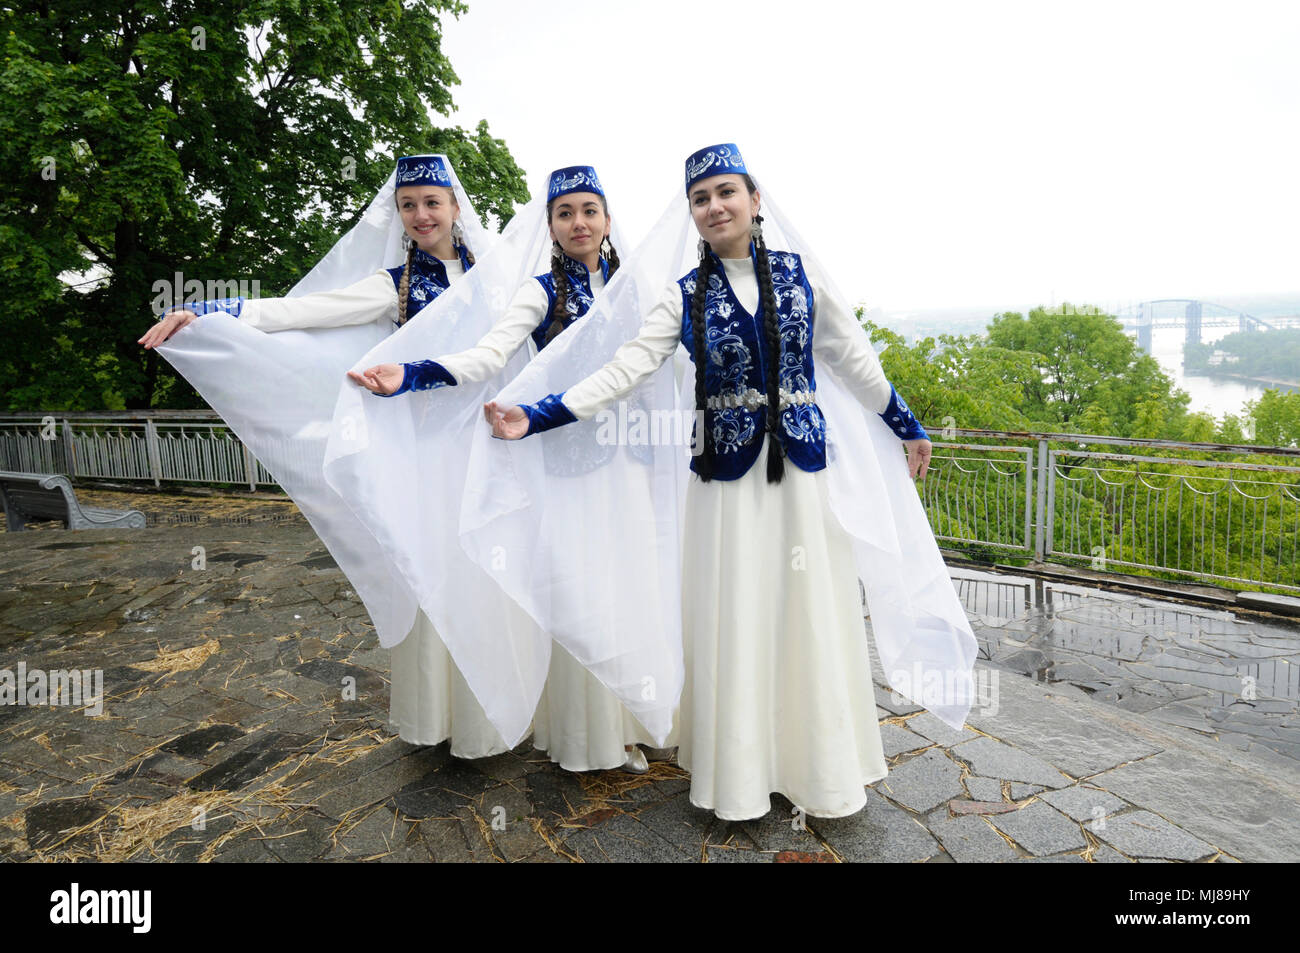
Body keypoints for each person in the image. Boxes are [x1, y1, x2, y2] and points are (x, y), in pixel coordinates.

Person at [482, 143, 977, 821]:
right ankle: (741, 773)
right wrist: (535, 414)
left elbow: (855, 360)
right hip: (723, 486)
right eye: (700, 198)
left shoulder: (803, 280)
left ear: (754, 199)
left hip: (802, 480)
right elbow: (623, 371)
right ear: (692, 212)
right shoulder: (682, 296)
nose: (713, 206)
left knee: (808, 614)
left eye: (724, 193)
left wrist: (907, 423)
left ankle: (819, 767)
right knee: (737, 615)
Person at [142, 154, 523, 759]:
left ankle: (500, 709)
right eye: (408, 205)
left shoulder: (501, 280)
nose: (421, 214)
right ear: (397, 215)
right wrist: (214, 313)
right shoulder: (393, 284)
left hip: (488, 448)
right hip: (424, 455)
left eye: (432, 201)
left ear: (455, 205)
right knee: (428, 571)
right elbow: (302, 311)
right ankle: (439, 716)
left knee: (489, 569)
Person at [349, 166, 662, 774]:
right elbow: (490, 353)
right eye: (564, 212)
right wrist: (412, 373)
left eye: (588, 210)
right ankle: (583, 735)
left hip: (629, 458)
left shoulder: (635, 290)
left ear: (606, 218)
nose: (578, 223)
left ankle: (630, 723)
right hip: (563, 460)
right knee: (575, 589)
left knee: (627, 584)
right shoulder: (539, 290)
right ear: (548, 224)